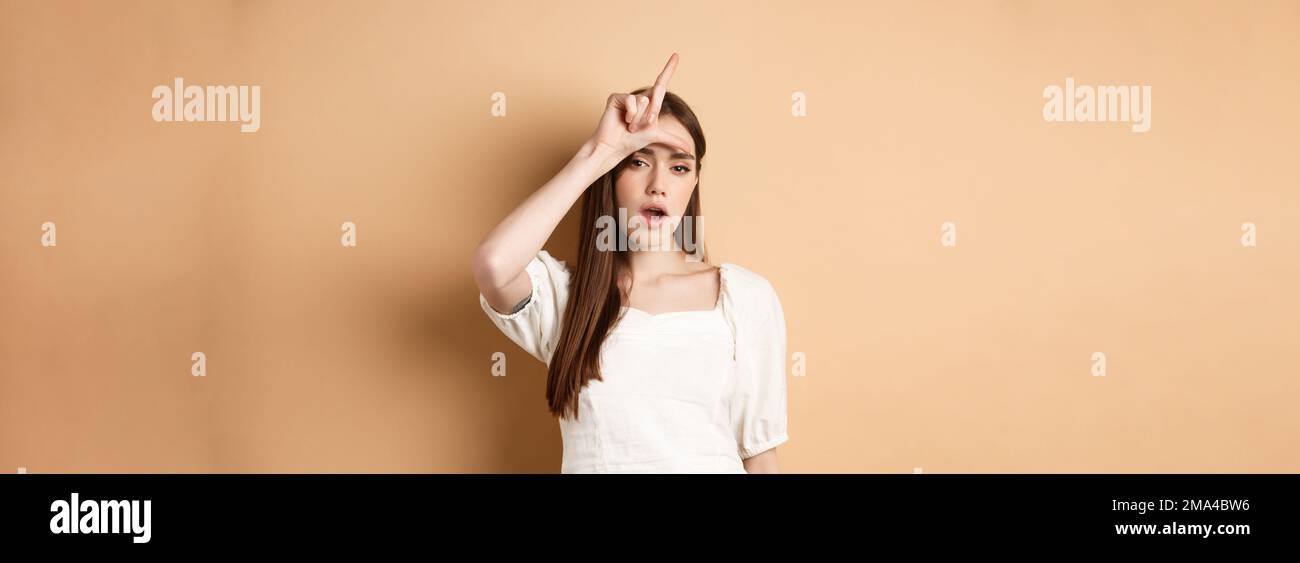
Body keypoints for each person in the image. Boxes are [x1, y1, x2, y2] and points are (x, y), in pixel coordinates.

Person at [473, 53, 788, 473]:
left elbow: (760, 457)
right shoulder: (568, 299)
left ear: (693, 183)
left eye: (679, 167)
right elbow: (494, 265)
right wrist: (601, 151)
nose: (658, 185)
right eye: (638, 161)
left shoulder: (745, 297)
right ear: (611, 176)